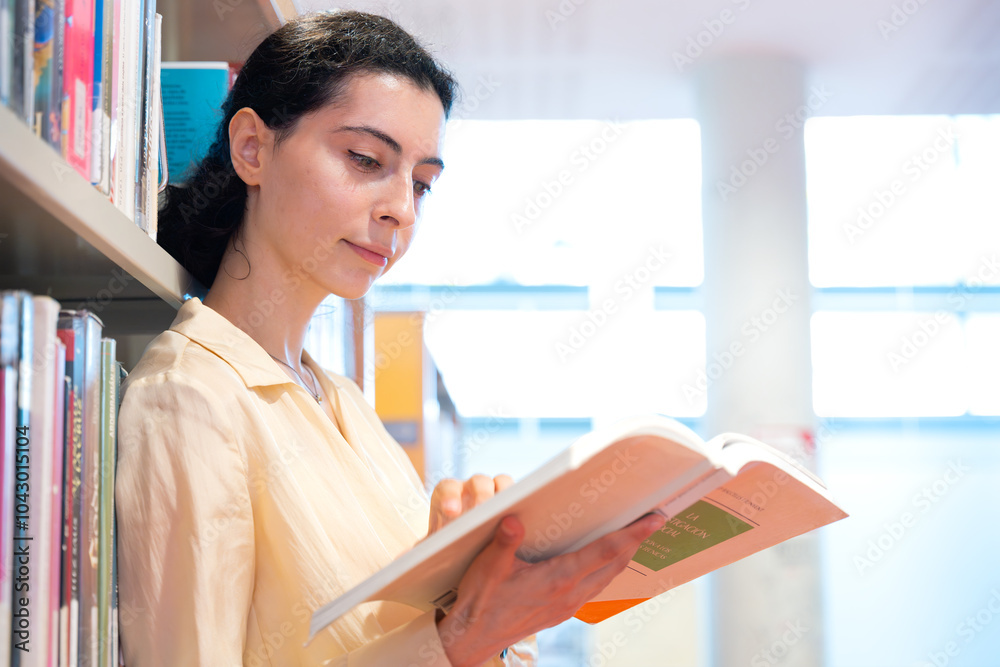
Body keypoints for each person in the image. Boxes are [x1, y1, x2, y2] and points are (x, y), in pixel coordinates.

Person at [114, 10, 667, 666]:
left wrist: (471, 587)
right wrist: (461, 635)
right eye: (366, 159)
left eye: (421, 183)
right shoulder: (192, 398)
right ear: (252, 149)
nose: (400, 208)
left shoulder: (344, 403)